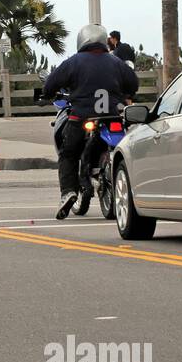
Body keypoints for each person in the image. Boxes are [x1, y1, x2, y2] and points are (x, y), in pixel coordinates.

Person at [42, 24, 139, 220]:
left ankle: (68, 191)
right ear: (104, 41)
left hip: (81, 117)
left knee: (68, 153)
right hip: (111, 118)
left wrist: (47, 93)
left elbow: (51, 83)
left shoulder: (74, 62)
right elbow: (133, 83)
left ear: (82, 41)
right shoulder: (116, 62)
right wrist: (125, 93)